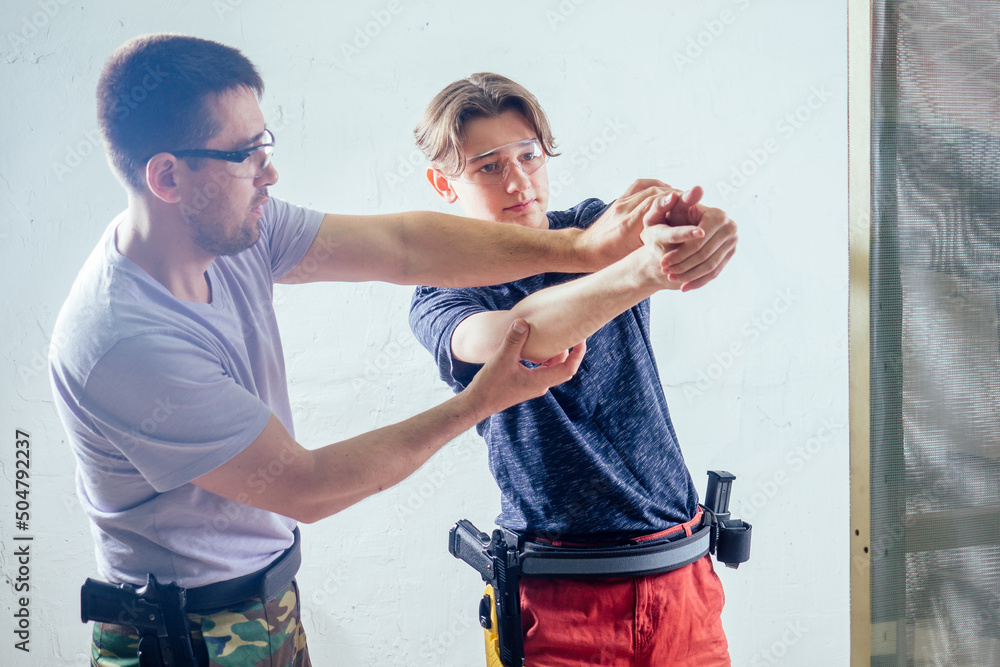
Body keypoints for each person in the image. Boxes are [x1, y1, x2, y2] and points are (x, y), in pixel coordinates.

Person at [48, 37, 713, 667]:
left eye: (266, 143)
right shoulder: (123, 341)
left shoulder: (242, 227)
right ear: (168, 176)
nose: (270, 171)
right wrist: (484, 397)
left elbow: (399, 244)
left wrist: (590, 247)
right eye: (246, 153)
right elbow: (303, 486)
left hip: (266, 600)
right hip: (183, 634)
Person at [408, 72, 738, 666]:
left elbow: (651, 229)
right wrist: (640, 272)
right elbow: (522, 334)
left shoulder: (591, 225)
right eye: (487, 166)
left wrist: (693, 229)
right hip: (558, 599)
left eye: (527, 155)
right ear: (443, 182)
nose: (517, 181)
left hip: (681, 574)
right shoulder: (441, 293)